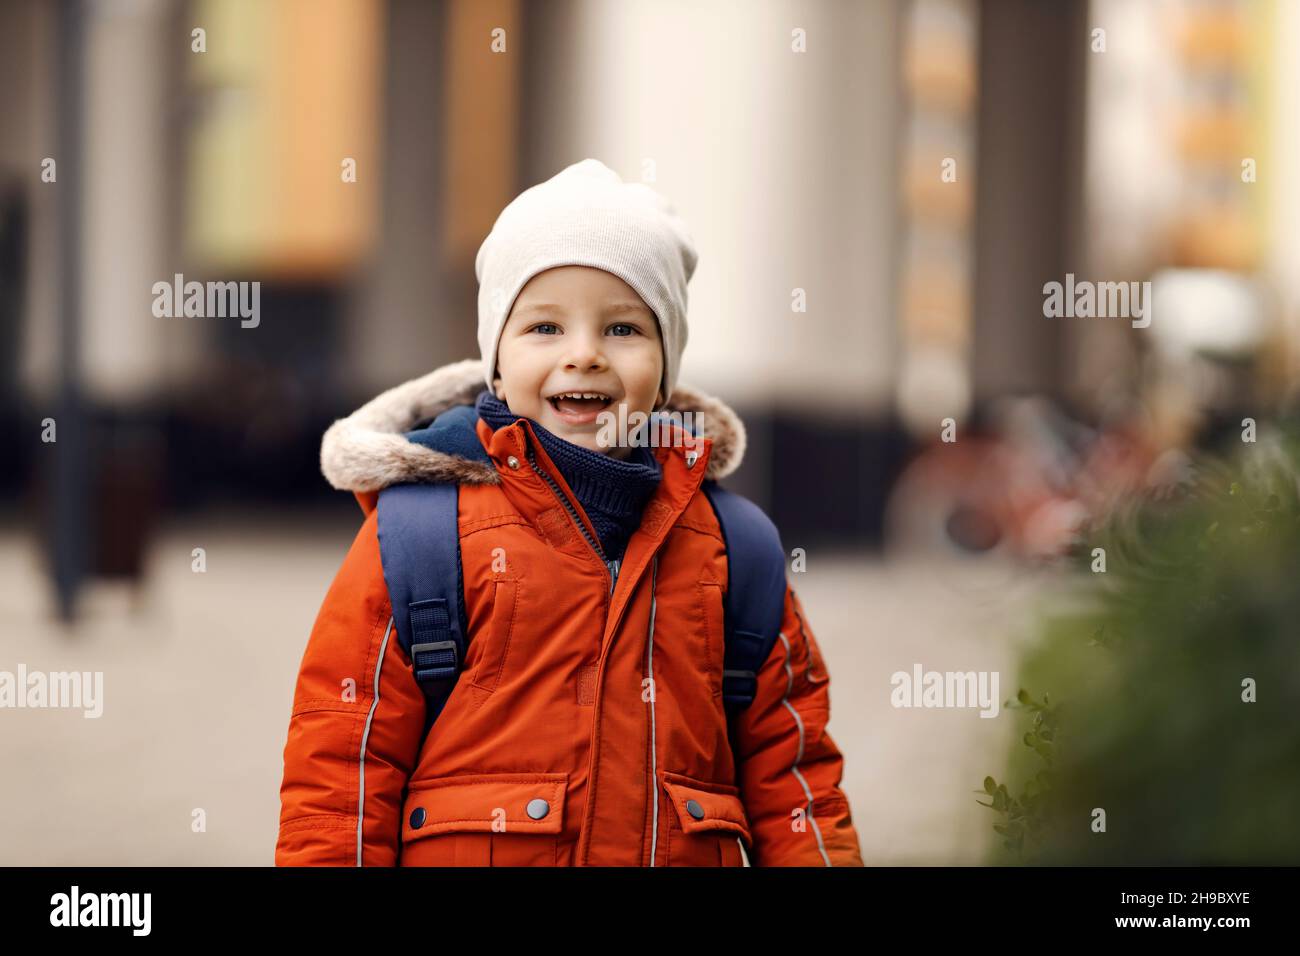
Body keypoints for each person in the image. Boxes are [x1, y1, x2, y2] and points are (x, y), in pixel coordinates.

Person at [275, 159, 863, 866]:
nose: (583, 355)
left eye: (622, 330)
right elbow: (342, 768)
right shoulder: (419, 537)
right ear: (496, 362)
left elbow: (793, 777)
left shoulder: (738, 551)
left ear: (667, 366)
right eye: (545, 328)